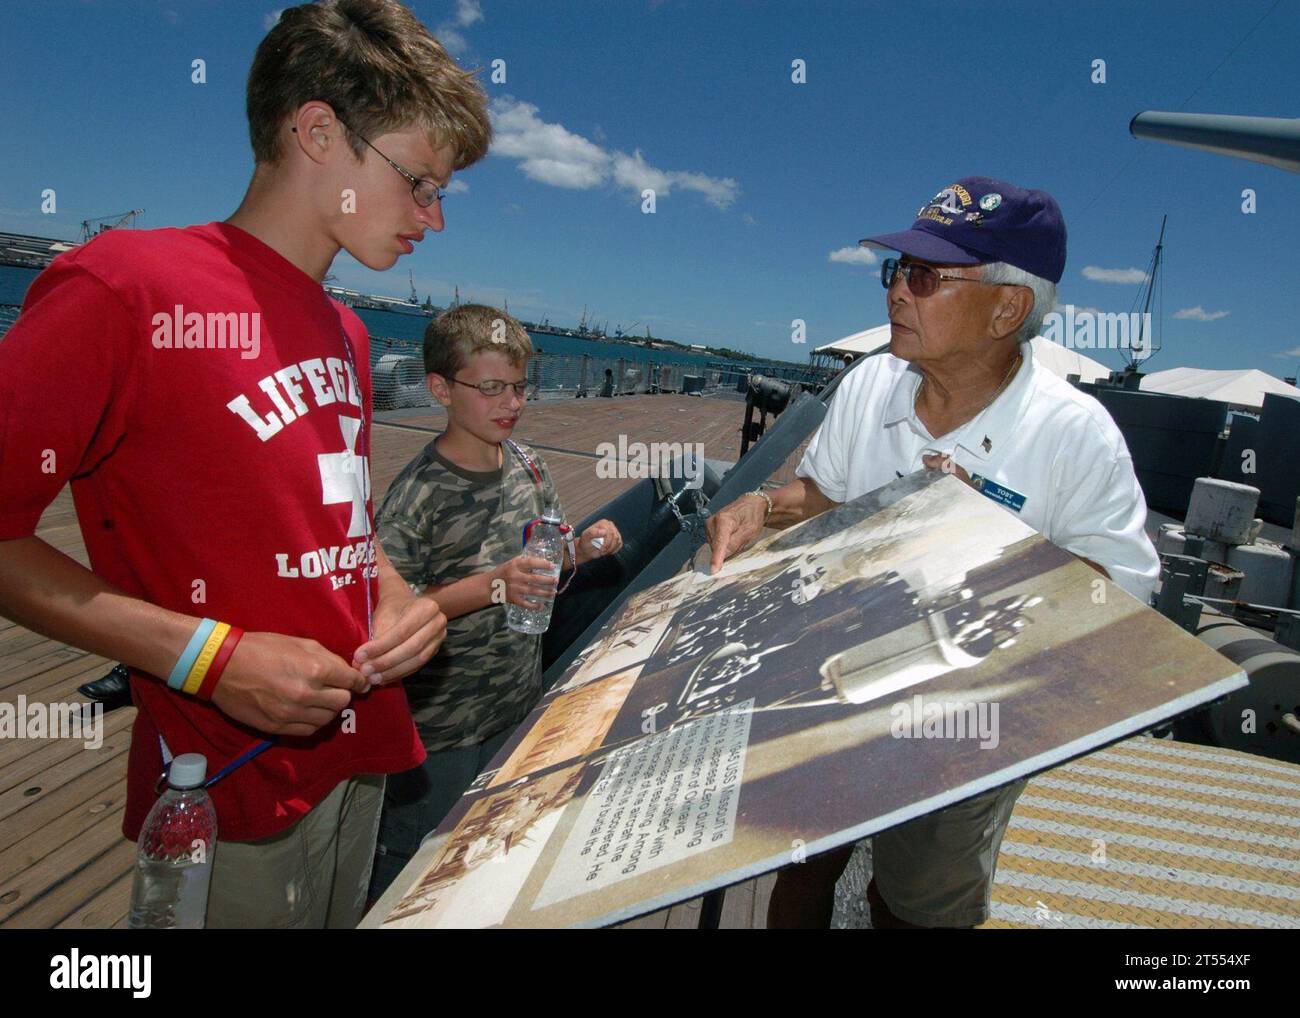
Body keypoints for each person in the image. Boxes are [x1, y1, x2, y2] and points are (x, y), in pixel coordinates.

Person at [0, 0, 492, 928]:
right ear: (316, 131)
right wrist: (210, 656)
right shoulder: (125, 287)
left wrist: (390, 590)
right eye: (419, 181)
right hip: (228, 784)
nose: (433, 217)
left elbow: (333, 522)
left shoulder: (347, 331)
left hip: (359, 750)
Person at [706, 176, 1160, 929]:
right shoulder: (871, 384)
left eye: (924, 277)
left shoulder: (1075, 435)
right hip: (839, 675)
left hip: (968, 719)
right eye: (896, 271)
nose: (896, 294)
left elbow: (1126, 598)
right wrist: (762, 504)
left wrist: (972, 536)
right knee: (799, 864)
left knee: (915, 901)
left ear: (1008, 308)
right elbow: (824, 497)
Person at [368, 304, 623, 897]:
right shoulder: (417, 495)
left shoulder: (529, 467)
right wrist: (491, 584)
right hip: (439, 732)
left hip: (515, 707)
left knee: (481, 858)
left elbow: (546, 558)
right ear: (440, 389)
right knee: (412, 869)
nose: (512, 402)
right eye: (490, 388)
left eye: (518, 386)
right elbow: (391, 619)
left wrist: (583, 549)